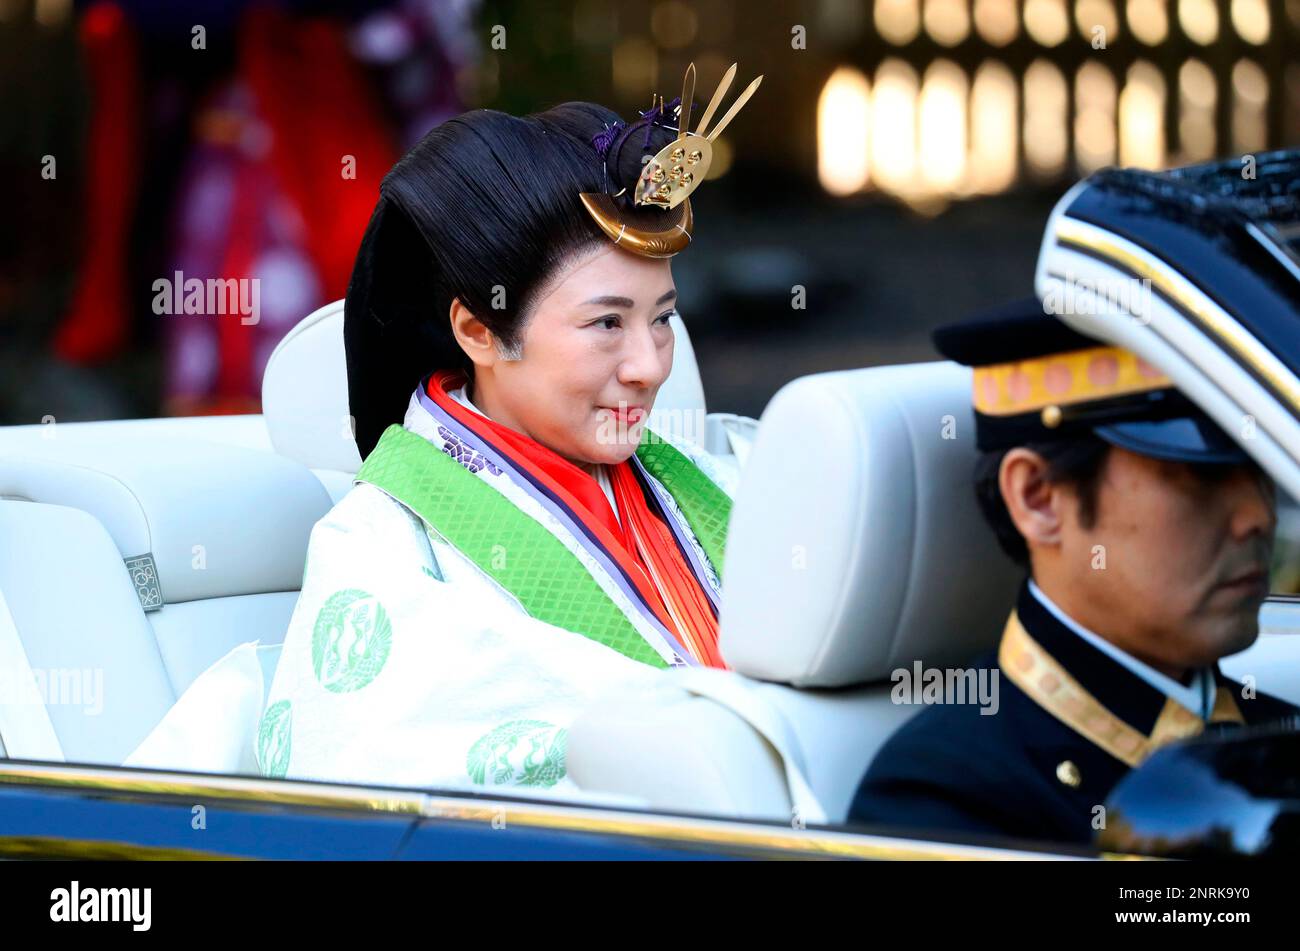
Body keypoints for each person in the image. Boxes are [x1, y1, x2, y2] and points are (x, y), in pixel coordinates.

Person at [128, 64, 764, 792]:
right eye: (606, 323)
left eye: (663, 318)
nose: (649, 365)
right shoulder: (384, 543)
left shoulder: (708, 477)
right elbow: (365, 767)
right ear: (480, 329)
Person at [847, 298, 1299, 845]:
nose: (1258, 517)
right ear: (1038, 499)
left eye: (1260, 469)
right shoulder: (940, 805)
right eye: (1199, 477)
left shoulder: (1275, 734)